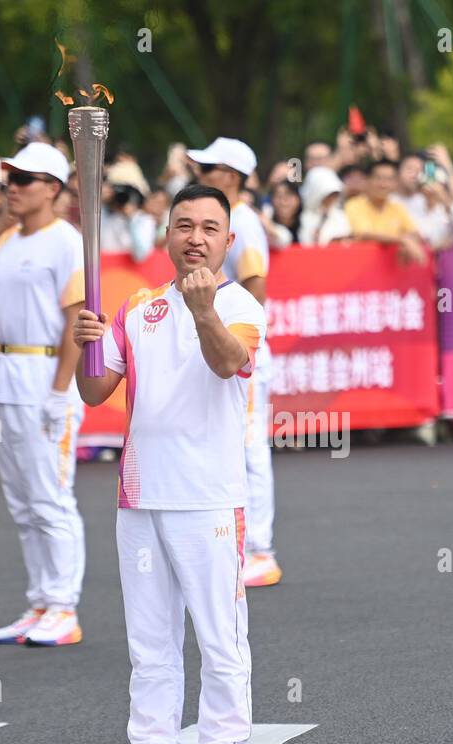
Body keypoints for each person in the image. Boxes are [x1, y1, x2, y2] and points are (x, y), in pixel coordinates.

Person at [73, 183, 266, 744]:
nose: (196, 238)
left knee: (219, 637)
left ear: (228, 240)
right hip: (140, 495)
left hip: (209, 498)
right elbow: (96, 391)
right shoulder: (138, 308)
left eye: (210, 228)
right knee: (149, 640)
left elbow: (227, 363)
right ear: (166, 236)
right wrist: (87, 345)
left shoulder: (240, 306)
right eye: (184, 226)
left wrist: (203, 309)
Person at [0, 142, 88, 647]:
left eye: (25, 179)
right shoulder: (6, 241)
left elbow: (76, 322)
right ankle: (40, 600)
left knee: (51, 497)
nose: (14, 188)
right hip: (7, 375)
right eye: (10, 178)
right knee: (22, 502)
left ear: (53, 188)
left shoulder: (66, 241)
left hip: (47, 375)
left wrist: (59, 392)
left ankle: (64, 607)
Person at [188, 137, 283, 587]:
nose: (199, 176)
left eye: (208, 170)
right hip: (220, 347)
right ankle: (236, 543)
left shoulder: (242, 221)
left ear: (230, 176)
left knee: (248, 450)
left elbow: (255, 286)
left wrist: (236, 338)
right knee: (228, 446)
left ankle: (260, 550)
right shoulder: (222, 219)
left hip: (241, 350)